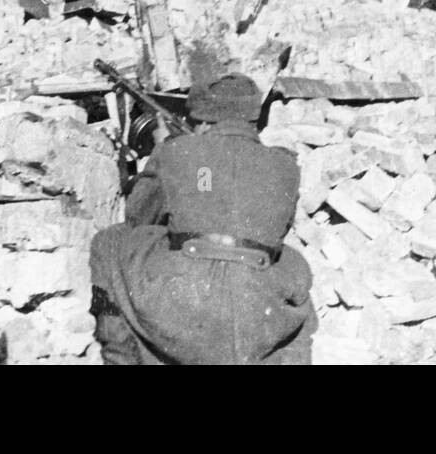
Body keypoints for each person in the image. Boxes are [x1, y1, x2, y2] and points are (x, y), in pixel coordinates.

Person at [89, 72, 316, 365]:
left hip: (187, 300)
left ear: (204, 121)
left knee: (109, 242)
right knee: (293, 265)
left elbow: (138, 217)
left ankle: (119, 356)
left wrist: (164, 154)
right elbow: (276, 230)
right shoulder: (286, 165)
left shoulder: (177, 150)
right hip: (257, 311)